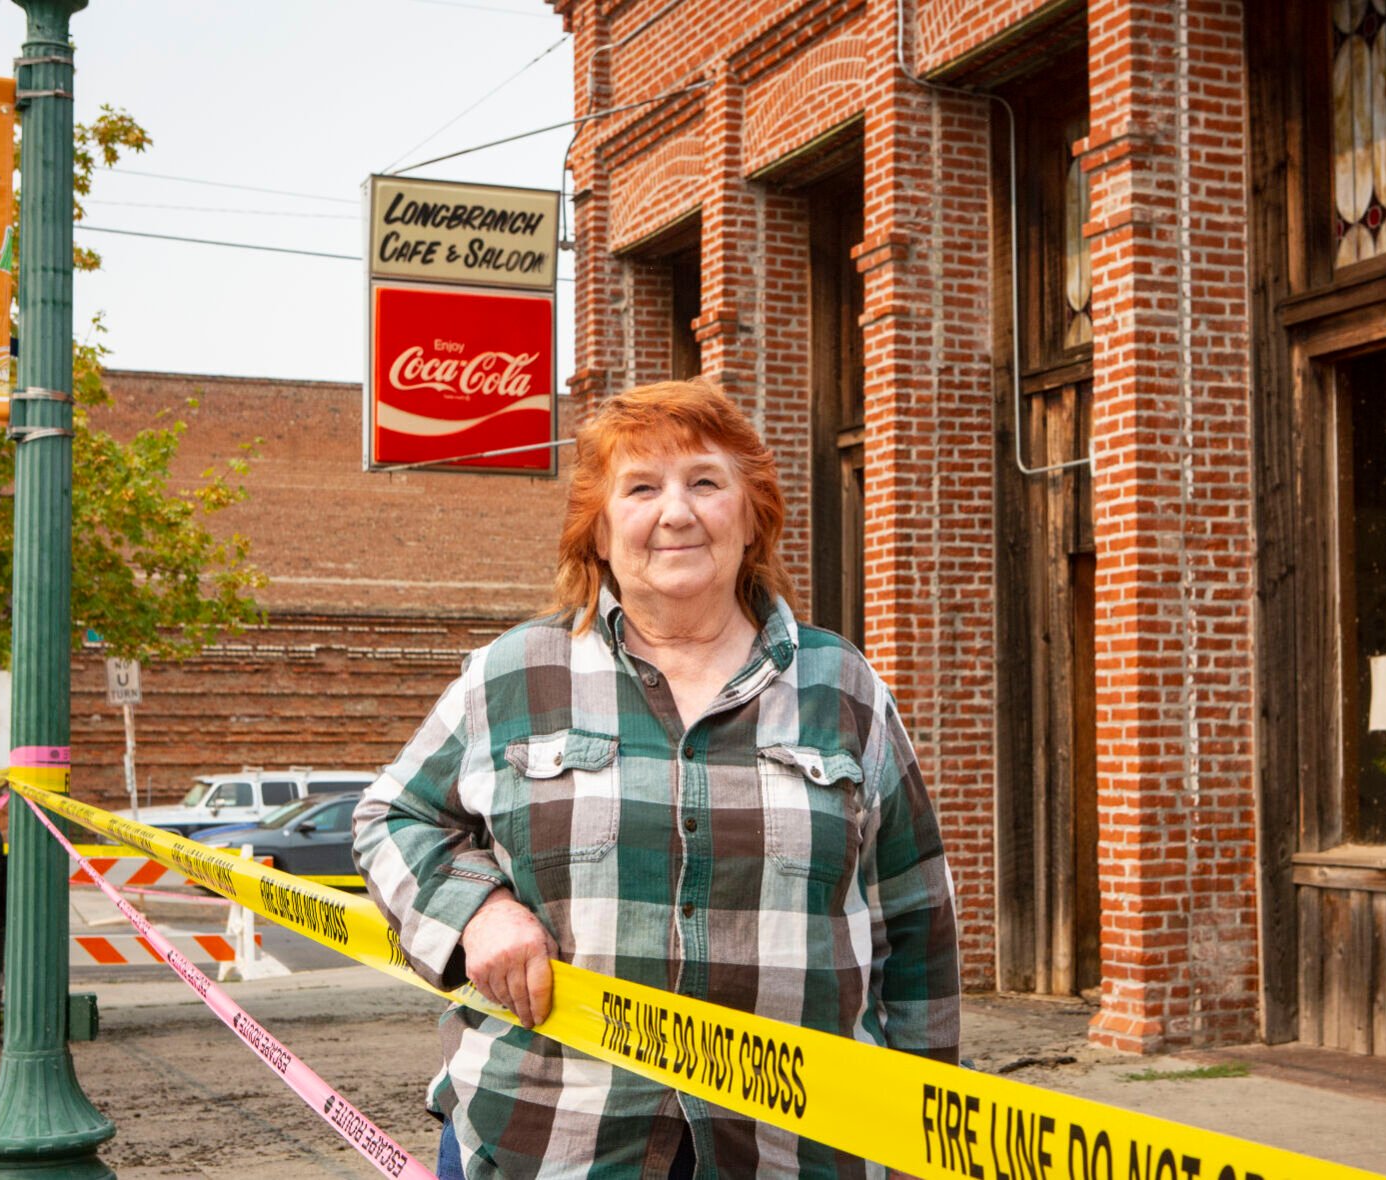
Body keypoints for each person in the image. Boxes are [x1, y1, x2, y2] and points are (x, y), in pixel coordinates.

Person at [353, 379, 960, 1179]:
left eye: (705, 482)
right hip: (549, 1138)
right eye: (640, 488)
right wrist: (478, 910)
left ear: (751, 517)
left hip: (791, 1150)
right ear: (598, 533)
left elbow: (914, 923)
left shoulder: (840, 687)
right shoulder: (514, 675)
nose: (676, 512)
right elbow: (391, 817)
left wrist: (926, 1138)